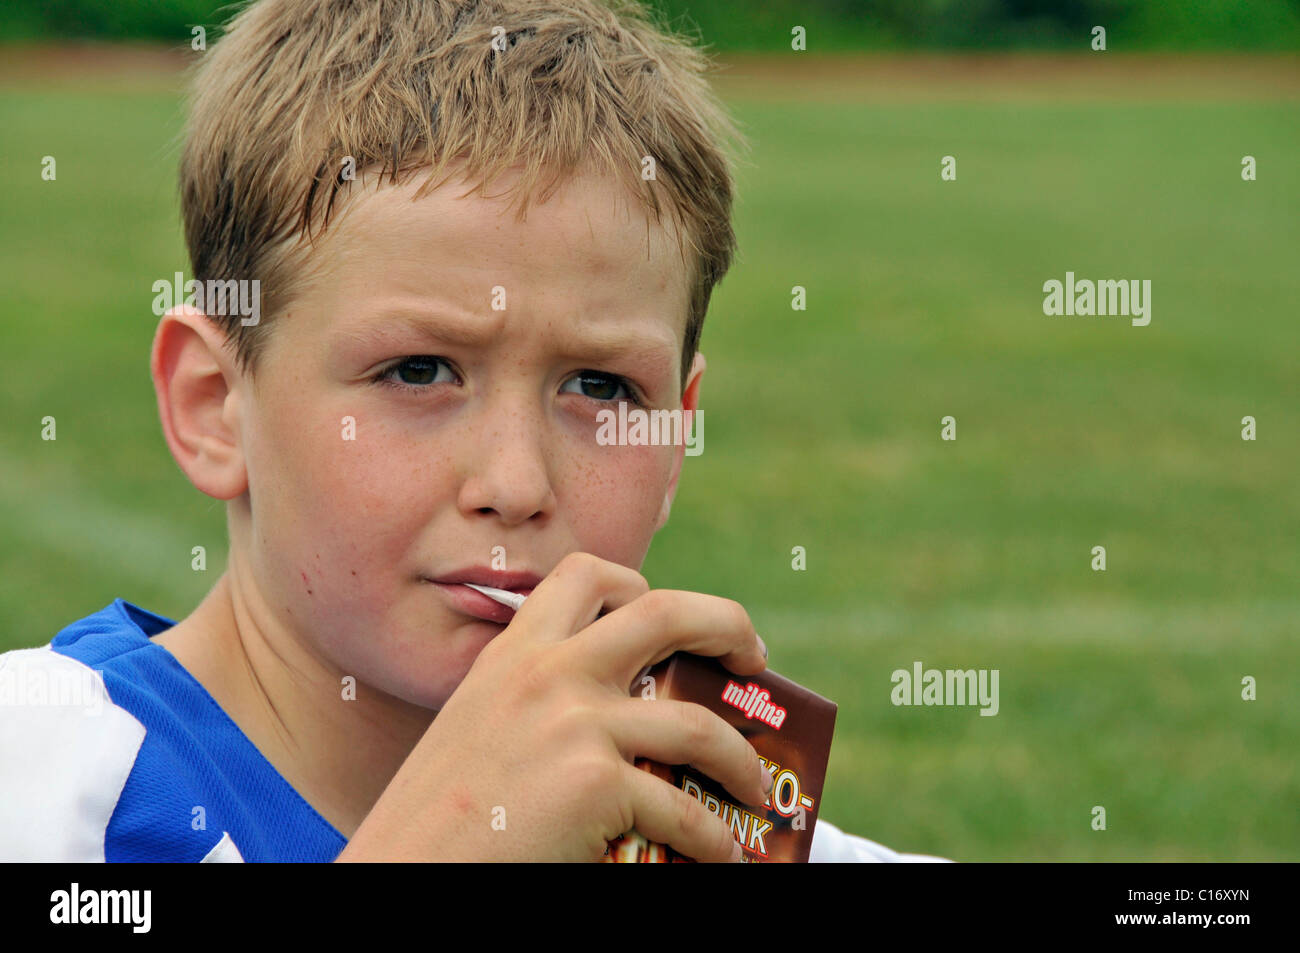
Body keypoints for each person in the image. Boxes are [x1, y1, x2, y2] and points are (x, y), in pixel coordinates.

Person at [0, 0, 945, 863]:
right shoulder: (44, 778)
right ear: (214, 404)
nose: (517, 481)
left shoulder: (730, 829)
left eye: (601, 387)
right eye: (418, 371)